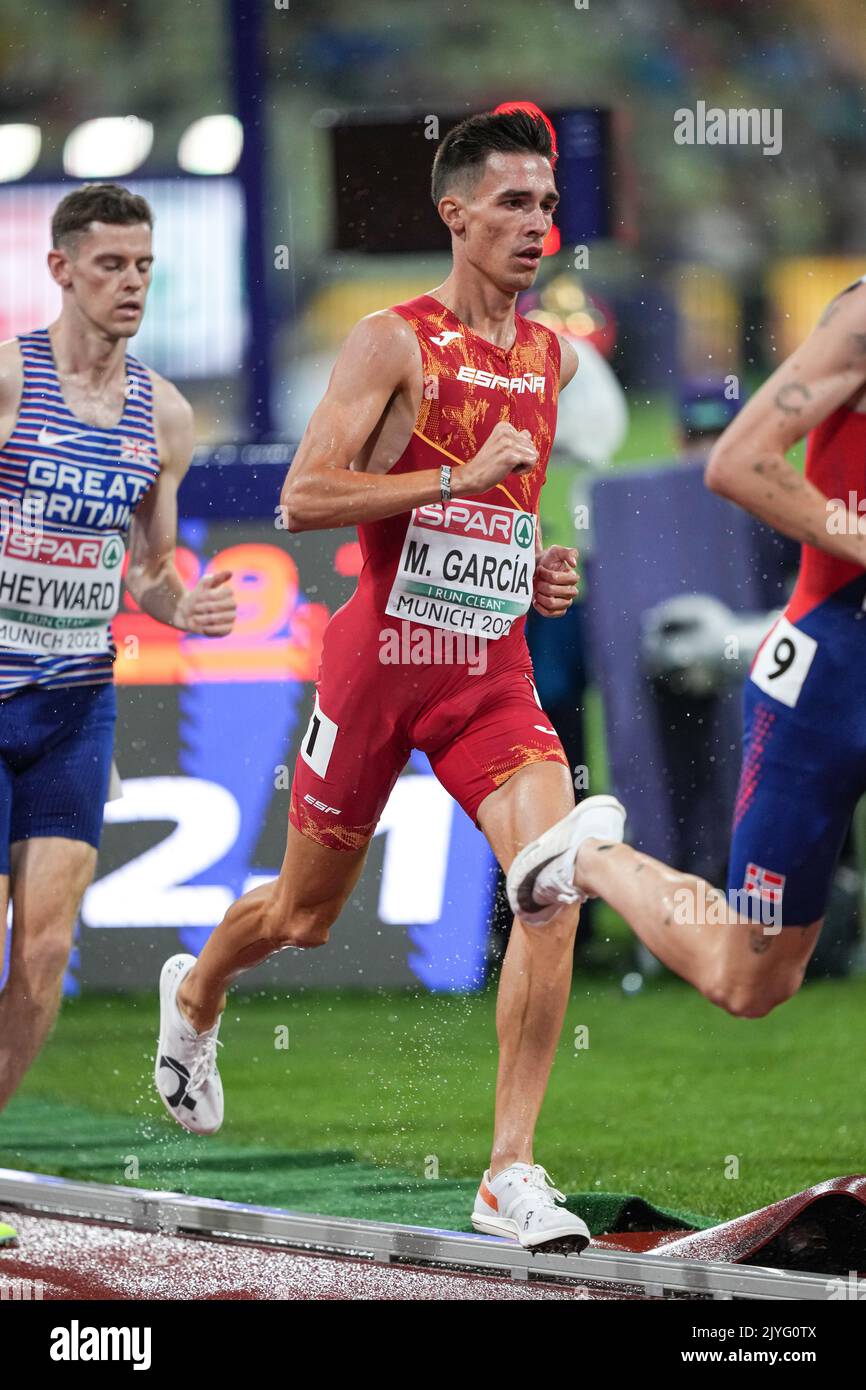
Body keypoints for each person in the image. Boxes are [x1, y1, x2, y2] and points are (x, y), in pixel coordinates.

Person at [155, 108, 622, 1254]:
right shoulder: (389, 340)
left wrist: (539, 566)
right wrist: (455, 472)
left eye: (548, 204)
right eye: (512, 202)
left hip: (488, 674)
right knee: (303, 917)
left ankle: (508, 1170)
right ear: (451, 213)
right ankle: (198, 990)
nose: (537, 224)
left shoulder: (550, 355)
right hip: (377, 666)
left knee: (549, 888)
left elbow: (502, 518)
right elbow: (304, 498)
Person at [508, 272, 866, 1022]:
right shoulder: (860, 319)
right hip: (830, 675)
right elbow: (740, 461)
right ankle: (593, 857)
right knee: (750, 978)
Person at [0, 183, 236, 1121]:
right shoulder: (11, 383)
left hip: (75, 708)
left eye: (143, 265)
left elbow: (149, 574)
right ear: (60, 270)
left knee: (46, 951)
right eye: (110, 265)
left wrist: (193, 607)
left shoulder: (164, 417)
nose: (131, 283)